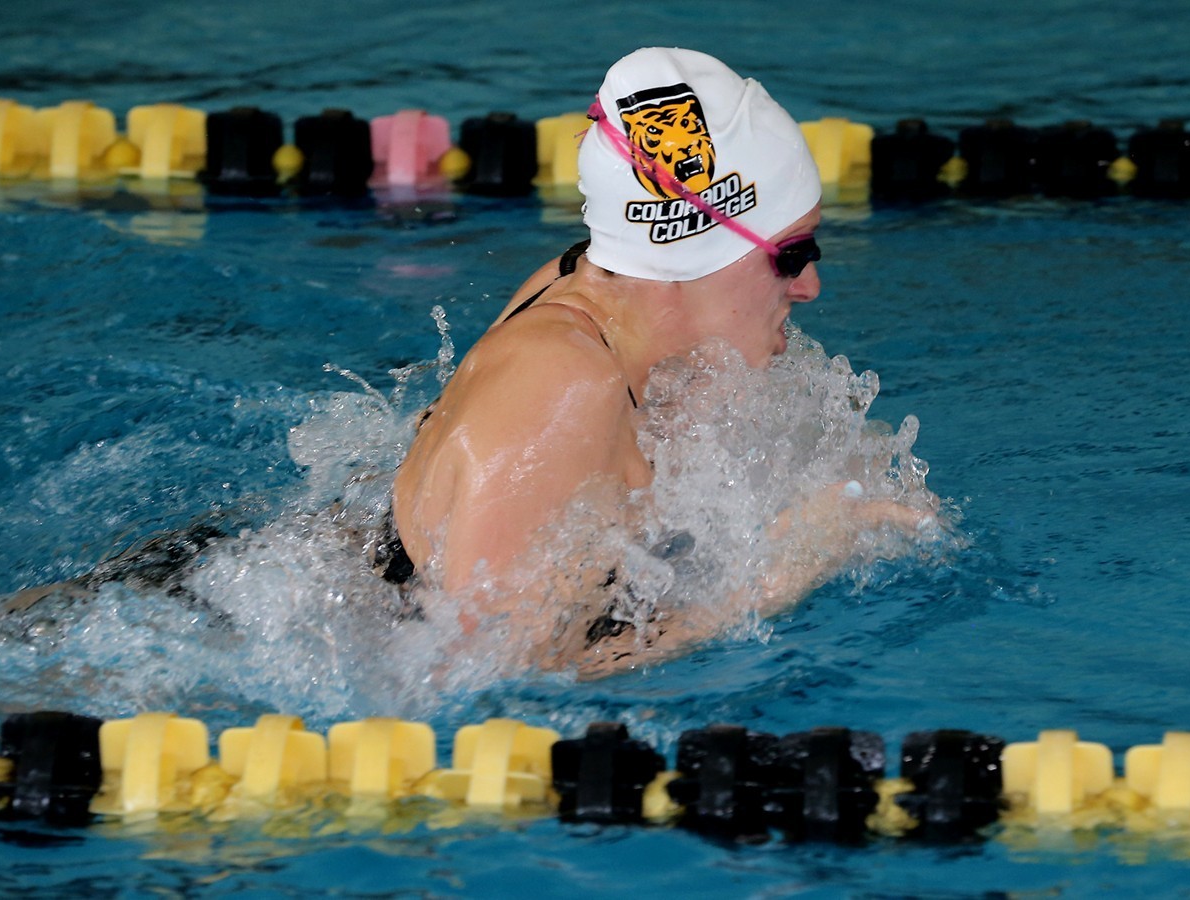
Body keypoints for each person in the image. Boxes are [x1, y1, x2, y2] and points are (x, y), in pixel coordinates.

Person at [387, 48, 931, 674]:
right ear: (697, 252)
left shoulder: (597, 298)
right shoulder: (562, 380)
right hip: (392, 645)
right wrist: (773, 582)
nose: (808, 286)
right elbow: (482, 668)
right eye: (791, 254)